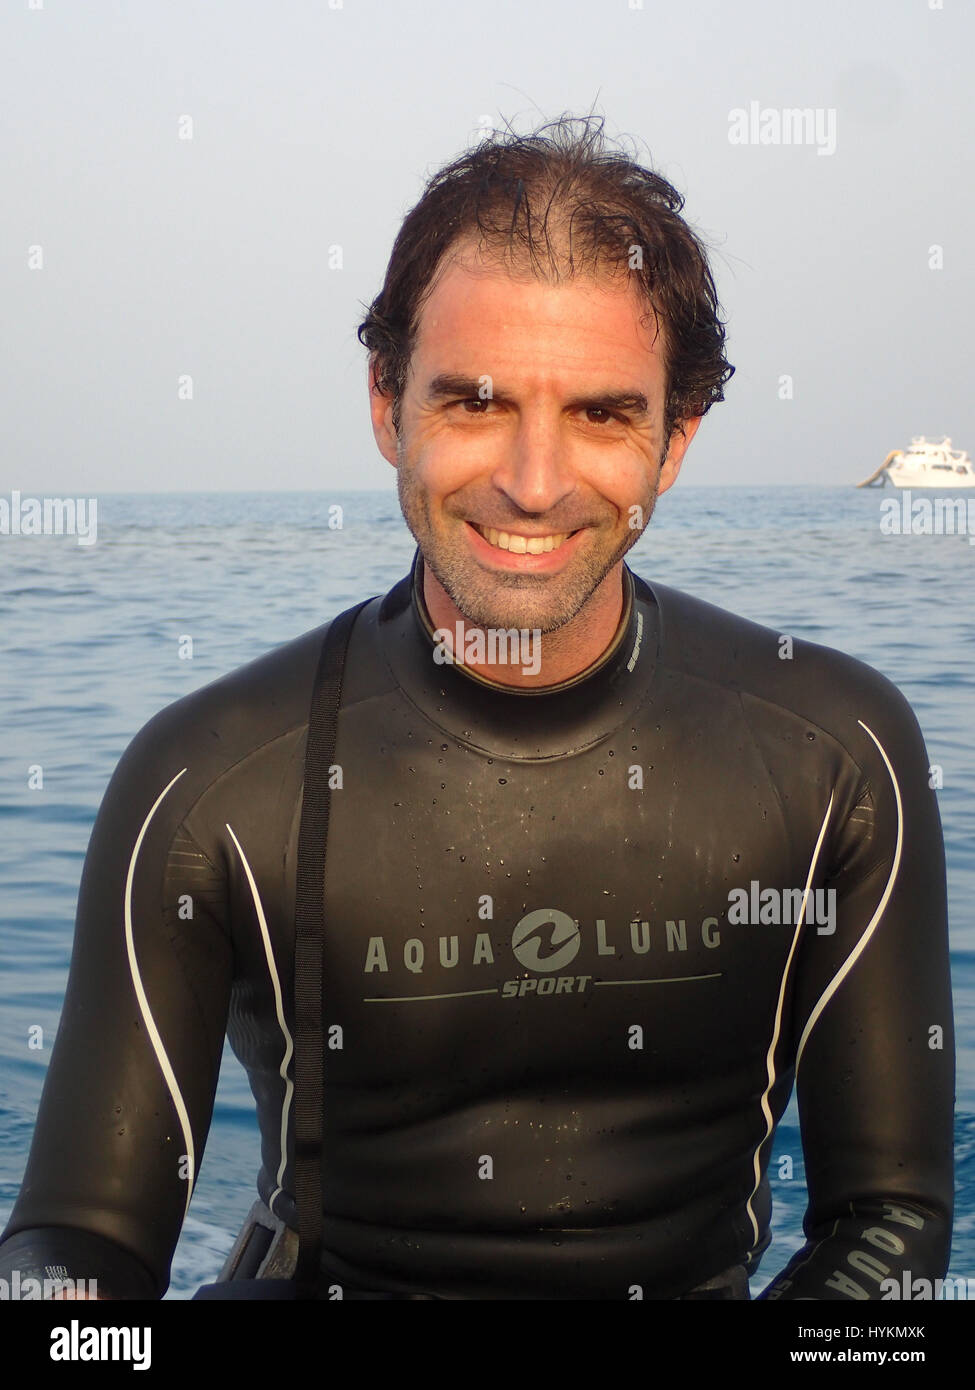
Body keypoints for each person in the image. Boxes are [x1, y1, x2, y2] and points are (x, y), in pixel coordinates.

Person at [0, 115, 954, 1301]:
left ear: (678, 440)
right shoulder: (209, 784)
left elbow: (892, 1229)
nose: (534, 482)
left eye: (603, 414)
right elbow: (75, 1250)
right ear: (386, 402)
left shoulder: (836, 758)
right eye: (476, 404)